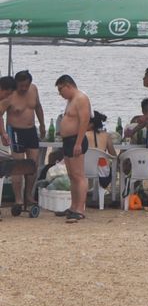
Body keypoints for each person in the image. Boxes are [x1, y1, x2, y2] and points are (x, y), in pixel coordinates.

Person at [1, 70, 46, 209]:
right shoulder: (9, 95)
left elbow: (38, 107)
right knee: (18, 165)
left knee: (33, 164)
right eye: (21, 86)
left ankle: (28, 195)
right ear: (16, 84)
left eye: (26, 85)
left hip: (31, 130)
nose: (24, 88)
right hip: (15, 130)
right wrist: (3, 134)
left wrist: (42, 125)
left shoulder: (34, 89)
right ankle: (18, 199)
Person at [55, 74, 91, 222]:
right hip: (68, 140)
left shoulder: (81, 98)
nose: (60, 93)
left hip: (77, 140)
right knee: (71, 176)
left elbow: (84, 121)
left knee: (79, 175)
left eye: (61, 89)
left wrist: (78, 142)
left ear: (68, 85)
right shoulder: (70, 100)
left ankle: (80, 209)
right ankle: (73, 206)